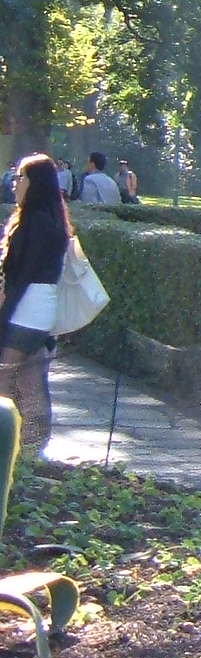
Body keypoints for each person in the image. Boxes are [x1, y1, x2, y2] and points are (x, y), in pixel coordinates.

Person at [1, 155, 70, 455]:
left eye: (21, 178)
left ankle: (14, 447)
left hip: (27, 311)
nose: (15, 183)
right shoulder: (48, 220)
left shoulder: (36, 223)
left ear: (35, 183)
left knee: (5, 377)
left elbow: (22, 275)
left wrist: (4, 309)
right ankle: (32, 448)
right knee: (30, 379)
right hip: (38, 310)